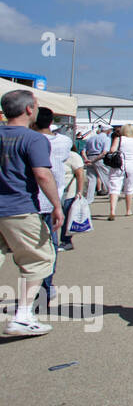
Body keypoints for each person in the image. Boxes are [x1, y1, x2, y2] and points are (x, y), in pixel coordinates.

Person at [0, 89, 63, 336]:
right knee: (40, 258)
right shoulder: (33, 139)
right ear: (29, 109)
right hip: (18, 208)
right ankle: (23, 315)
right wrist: (57, 205)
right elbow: (42, 174)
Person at [32, 109, 71, 309]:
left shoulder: (29, 140)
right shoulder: (64, 142)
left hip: (28, 201)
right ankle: (45, 290)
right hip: (51, 199)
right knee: (50, 247)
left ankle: (39, 293)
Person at [107, 123, 133, 220]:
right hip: (132, 165)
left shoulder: (119, 139)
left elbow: (112, 150)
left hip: (119, 164)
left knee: (114, 187)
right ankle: (128, 210)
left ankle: (112, 211)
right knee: (130, 188)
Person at [60, 139, 86, 251]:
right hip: (53, 191)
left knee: (66, 217)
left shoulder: (73, 156)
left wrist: (80, 191)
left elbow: (80, 174)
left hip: (68, 192)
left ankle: (66, 241)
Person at [83, 124, 110, 197]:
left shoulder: (91, 138)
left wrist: (86, 159)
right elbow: (104, 152)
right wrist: (94, 160)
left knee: (91, 179)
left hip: (89, 157)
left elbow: (83, 151)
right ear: (108, 131)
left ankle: (89, 198)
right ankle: (112, 193)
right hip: (98, 158)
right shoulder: (106, 139)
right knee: (105, 176)